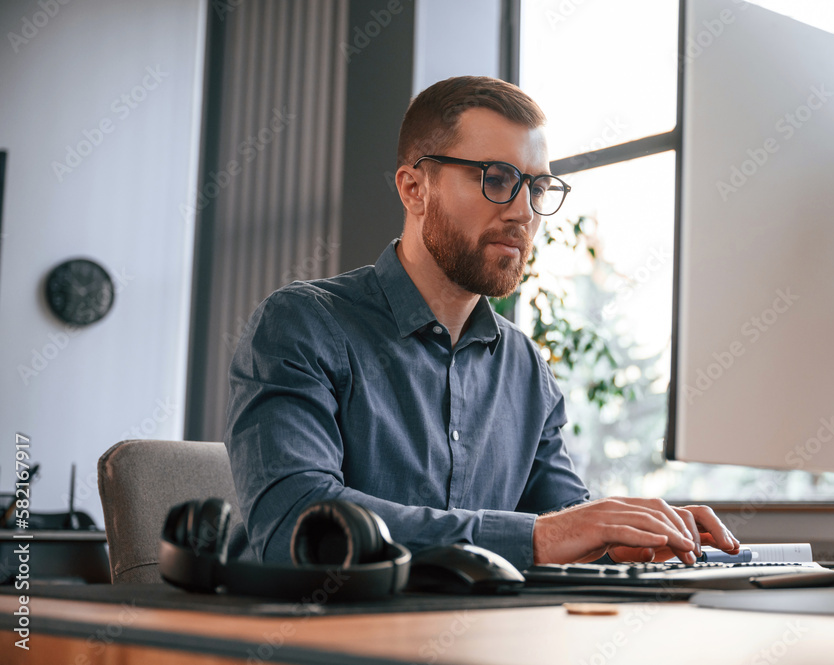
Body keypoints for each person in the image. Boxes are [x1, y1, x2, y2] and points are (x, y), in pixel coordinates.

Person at [224, 75, 739, 570]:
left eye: (537, 188)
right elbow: (295, 524)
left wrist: (629, 536)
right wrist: (545, 536)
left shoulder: (525, 368)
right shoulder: (301, 326)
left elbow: (561, 522)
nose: (522, 213)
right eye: (496, 179)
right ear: (413, 189)